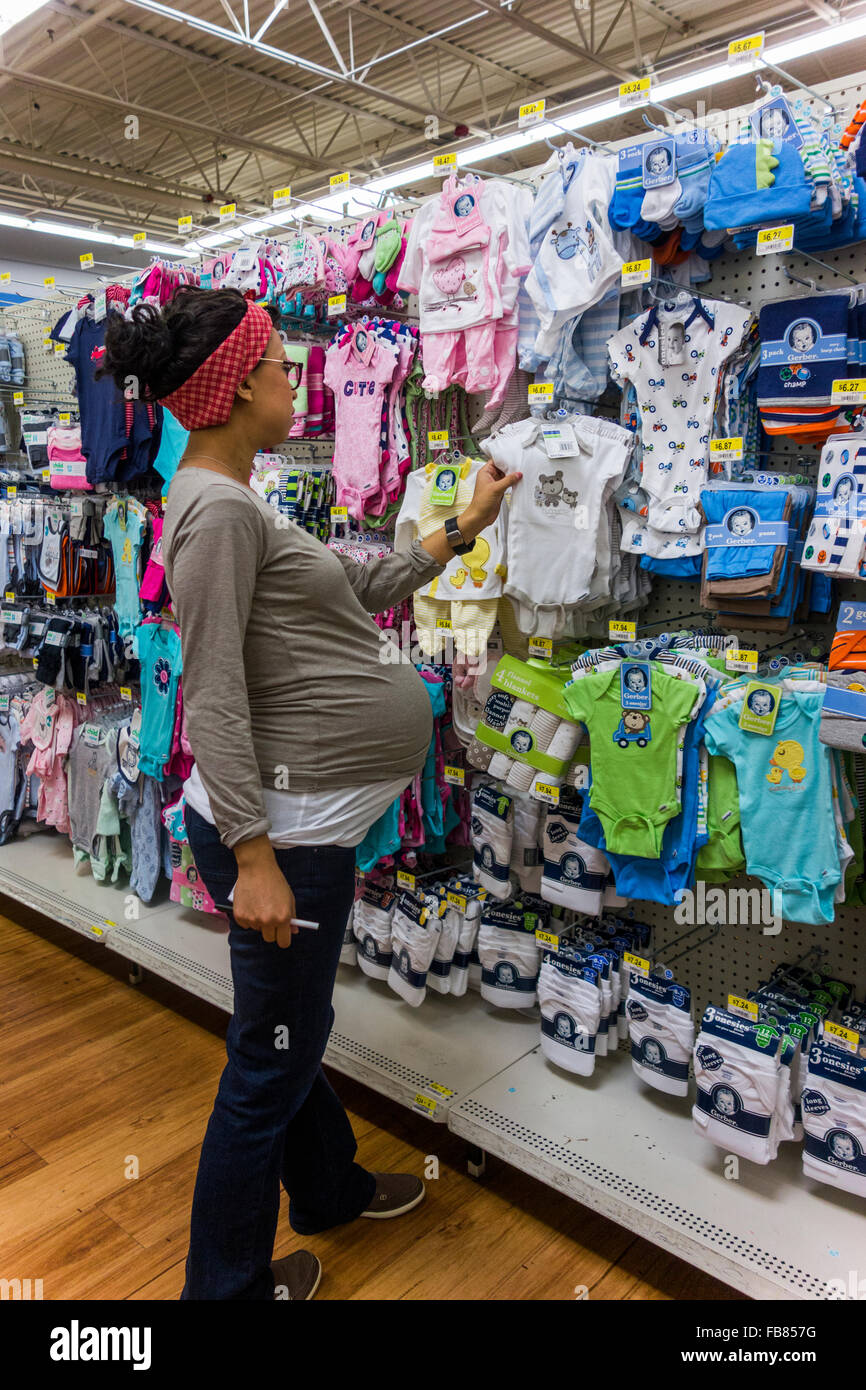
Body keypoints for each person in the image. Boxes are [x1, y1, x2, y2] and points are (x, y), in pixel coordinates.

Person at [101, 287, 521, 1301]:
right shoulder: (212, 515)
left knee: (287, 1034)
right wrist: (251, 855)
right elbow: (209, 688)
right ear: (241, 384)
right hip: (281, 837)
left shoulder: (234, 502)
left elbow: (357, 591)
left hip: (291, 828)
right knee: (265, 1067)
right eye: (286, 367)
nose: (301, 380)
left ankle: (326, 1185)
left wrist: (458, 530)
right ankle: (227, 1286)